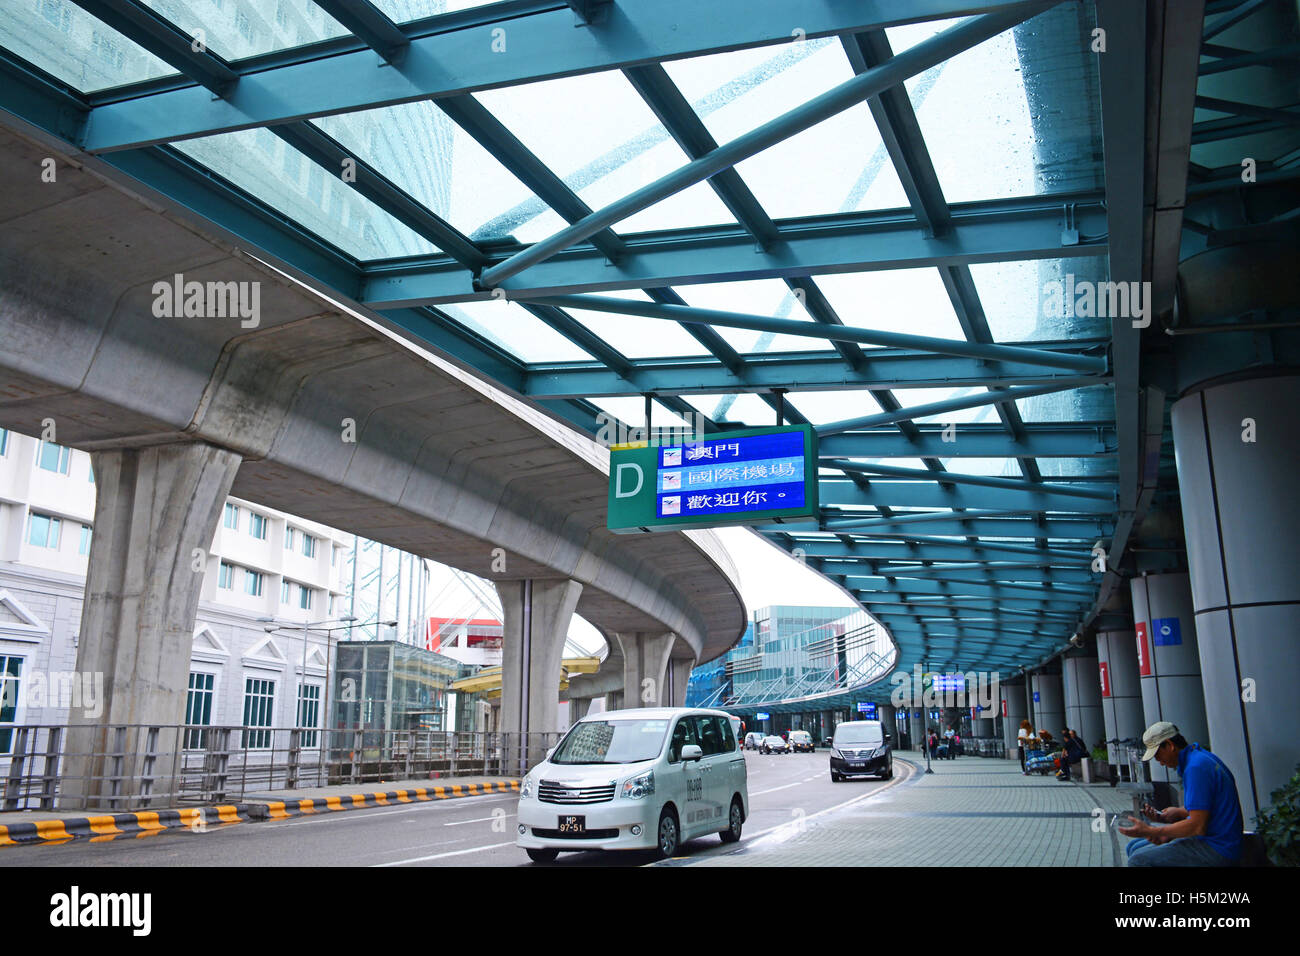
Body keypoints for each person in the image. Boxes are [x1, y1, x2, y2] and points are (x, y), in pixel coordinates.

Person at [1118, 721, 1244, 867]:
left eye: (1158, 754)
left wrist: (1156, 831)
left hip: (1218, 848)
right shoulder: (1199, 757)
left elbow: (1197, 826)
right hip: (1218, 839)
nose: (1159, 762)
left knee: (1138, 860)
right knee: (1133, 847)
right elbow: (1207, 809)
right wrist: (1177, 812)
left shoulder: (1196, 769)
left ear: (1170, 745)